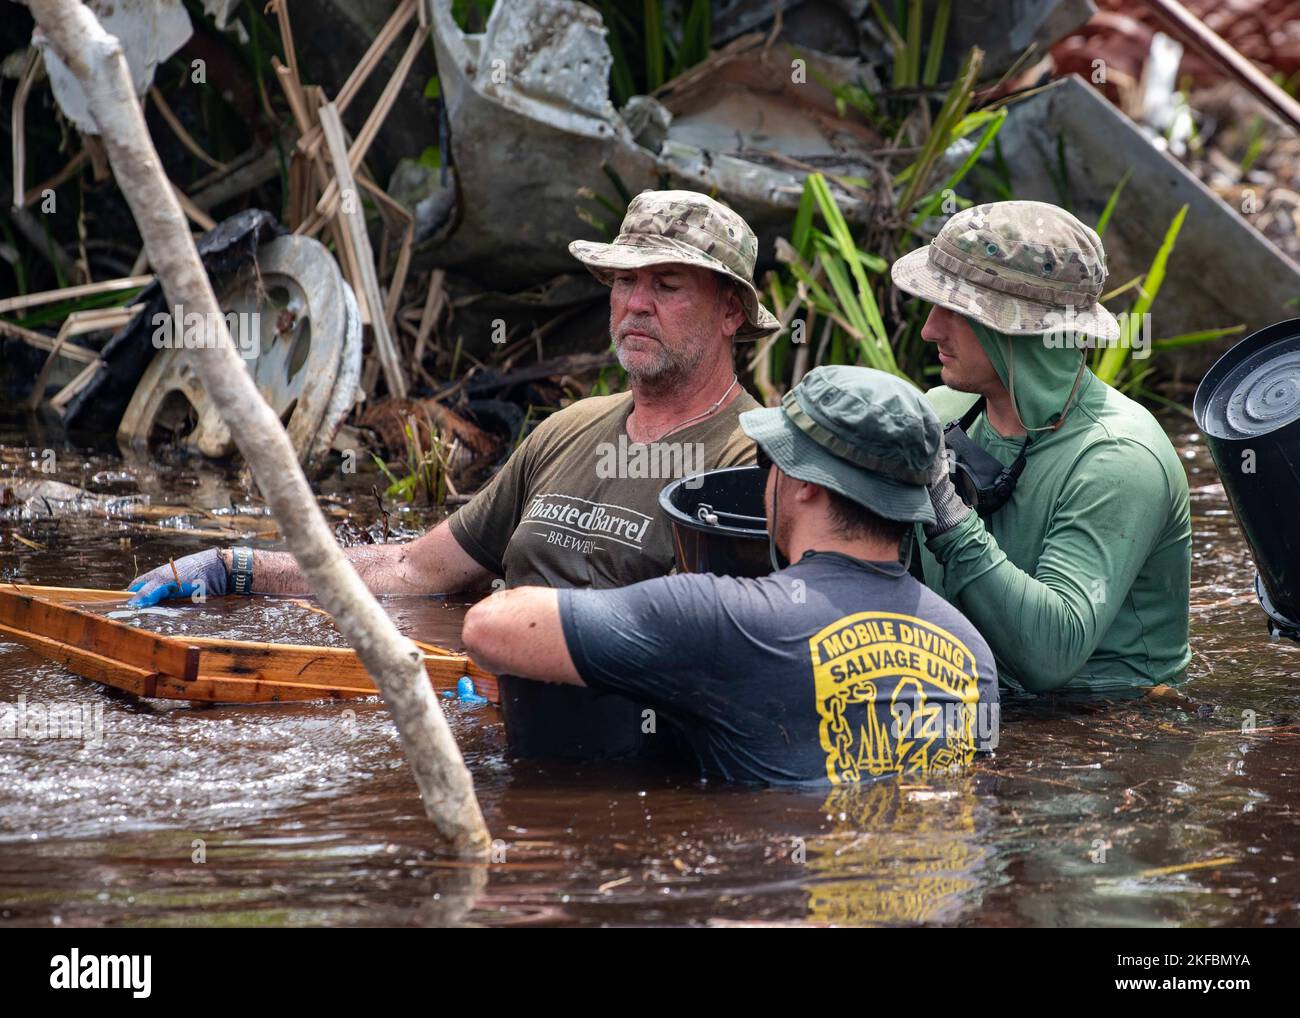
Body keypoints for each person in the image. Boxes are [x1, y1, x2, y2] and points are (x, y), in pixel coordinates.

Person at [128, 189, 781, 758]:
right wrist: (239, 569)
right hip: (496, 728)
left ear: (731, 313)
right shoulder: (567, 429)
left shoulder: (750, 464)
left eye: (666, 286)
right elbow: (415, 569)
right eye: (623, 281)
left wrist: (521, 685)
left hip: (609, 765)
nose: (636, 304)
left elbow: (711, 662)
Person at [461, 366, 999, 785]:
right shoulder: (972, 653)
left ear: (804, 483)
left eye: (772, 460)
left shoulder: (722, 617)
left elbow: (491, 625)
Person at [889, 200, 1191, 694]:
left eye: (955, 309)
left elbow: (1053, 653)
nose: (929, 329)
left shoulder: (1119, 457)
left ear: (1016, 329)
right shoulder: (942, 412)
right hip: (973, 701)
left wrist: (949, 516)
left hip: (1105, 735)